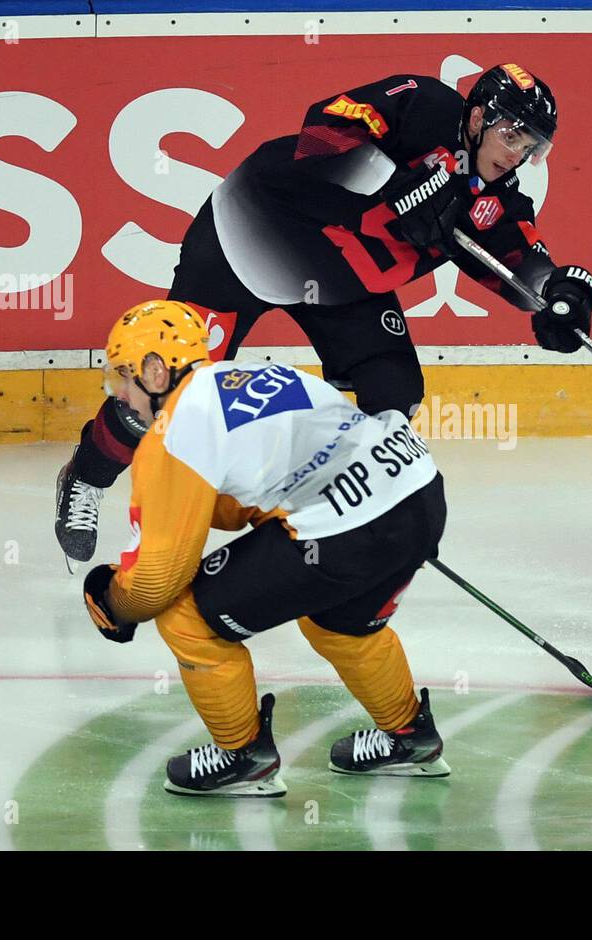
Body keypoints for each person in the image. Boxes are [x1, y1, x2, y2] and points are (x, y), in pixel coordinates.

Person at [56, 63, 592, 562]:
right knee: (163, 384)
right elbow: (323, 129)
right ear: (477, 118)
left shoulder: (496, 203)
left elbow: (527, 272)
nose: (515, 153)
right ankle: (87, 476)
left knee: (393, 395)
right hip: (249, 235)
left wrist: (561, 297)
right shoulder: (423, 103)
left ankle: (343, 519)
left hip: (343, 286)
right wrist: (396, 189)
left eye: (528, 145)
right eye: (510, 135)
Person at [82, 299, 450, 796]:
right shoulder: (242, 376)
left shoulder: (175, 431)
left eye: (124, 376)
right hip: (418, 494)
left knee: (187, 617)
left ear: (154, 369)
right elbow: (253, 497)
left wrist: (114, 601)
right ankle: (410, 737)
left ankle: (243, 756)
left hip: (351, 531)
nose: (121, 395)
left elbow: (158, 579)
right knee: (339, 623)